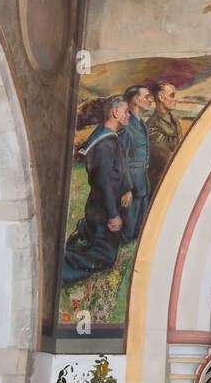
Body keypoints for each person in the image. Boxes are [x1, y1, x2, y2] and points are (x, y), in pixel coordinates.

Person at [62, 96, 132, 284]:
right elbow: (105, 182)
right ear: (115, 113)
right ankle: (61, 266)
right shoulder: (105, 145)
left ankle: (82, 235)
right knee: (104, 258)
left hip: (100, 205)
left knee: (101, 246)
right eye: (126, 112)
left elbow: (115, 172)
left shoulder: (105, 136)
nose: (129, 115)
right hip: (103, 206)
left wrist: (125, 189)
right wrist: (113, 215)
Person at [119, 84, 154, 242]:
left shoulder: (142, 124)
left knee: (139, 233)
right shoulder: (127, 126)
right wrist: (126, 188)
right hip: (130, 187)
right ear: (136, 100)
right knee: (127, 234)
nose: (151, 100)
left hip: (141, 185)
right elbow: (122, 160)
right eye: (147, 97)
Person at [146, 81, 182, 191]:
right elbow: (166, 159)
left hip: (176, 181)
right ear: (161, 98)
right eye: (172, 95)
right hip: (160, 185)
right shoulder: (152, 125)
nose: (176, 99)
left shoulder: (175, 121)